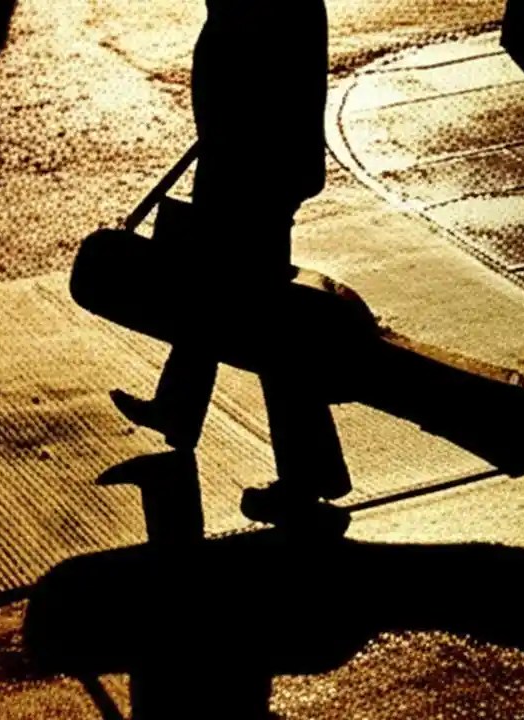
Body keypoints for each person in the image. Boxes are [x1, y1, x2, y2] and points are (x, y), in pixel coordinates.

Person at [109, 0, 352, 521]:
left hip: (253, 173)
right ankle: (179, 407)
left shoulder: (268, 10)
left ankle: (310, 474)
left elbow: (257, 84)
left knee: (264, 322)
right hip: (249, 166)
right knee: (215, 294)